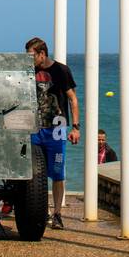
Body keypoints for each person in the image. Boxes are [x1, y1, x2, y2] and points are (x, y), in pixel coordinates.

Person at [25, 36, 79, 230]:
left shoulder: (61, 70)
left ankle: (57, 213)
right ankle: (40, 209)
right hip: (34, 127)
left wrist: (75, 127)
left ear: (42, 54)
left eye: (32, 56)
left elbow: (72, 99)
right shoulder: (28, 70)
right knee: (34, 171)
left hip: (57, 127)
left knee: (57, 172)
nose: (29, 60)